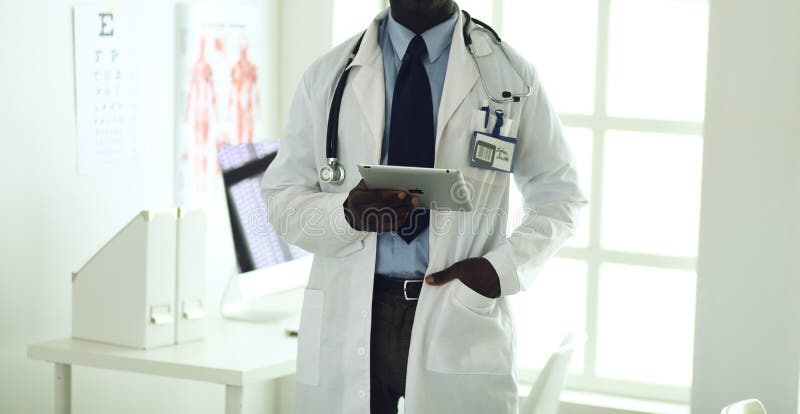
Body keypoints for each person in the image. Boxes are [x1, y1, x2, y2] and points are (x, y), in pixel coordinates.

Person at [262, 1, 587, 413]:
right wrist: (345, 214)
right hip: (354, 313)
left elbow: (561, 195)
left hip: (457, 309)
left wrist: (498, 270)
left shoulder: (509, 77)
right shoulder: (328, 75)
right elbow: (282, 197)